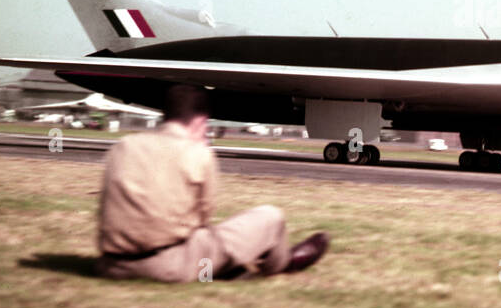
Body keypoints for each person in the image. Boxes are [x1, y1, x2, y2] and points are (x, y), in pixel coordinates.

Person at [95, 84, 328, 282]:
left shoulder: (123, 146)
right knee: (270, 216)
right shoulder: (198, 153)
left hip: (111, 265)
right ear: (200, 120)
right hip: (167, 267)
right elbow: (203, 218)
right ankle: (279, 265)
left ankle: (237, 263)